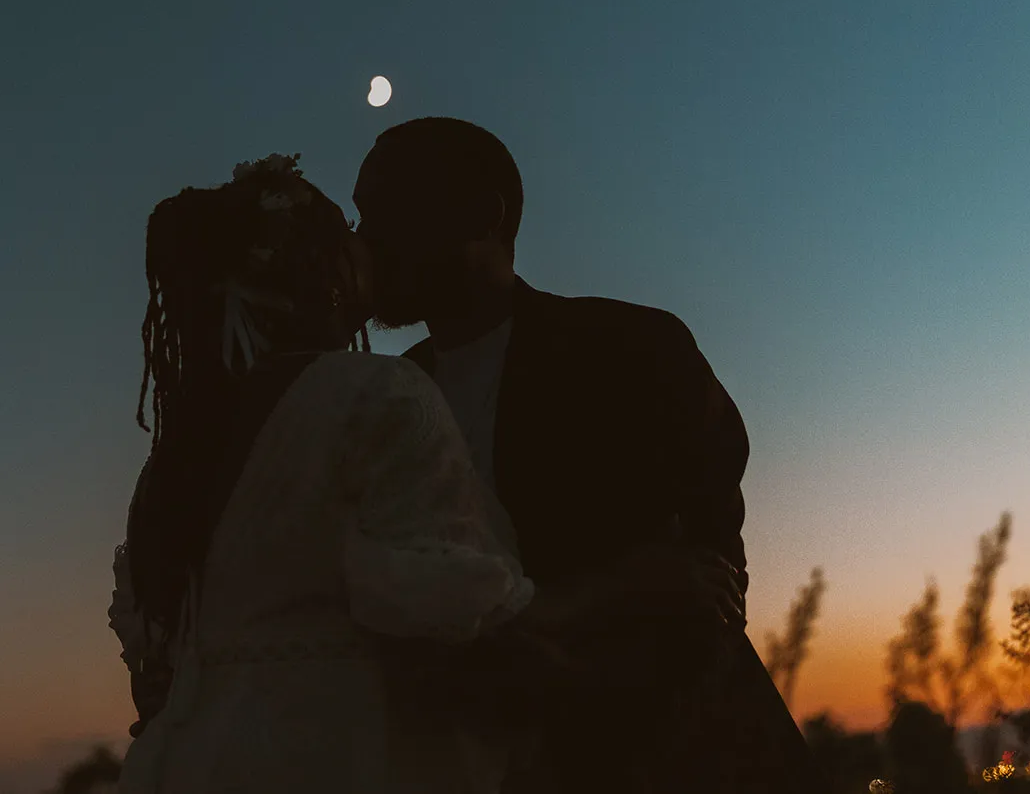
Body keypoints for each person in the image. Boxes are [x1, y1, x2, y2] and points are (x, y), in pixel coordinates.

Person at [107, 153, 610, 794]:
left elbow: (154, 688)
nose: (365, 249)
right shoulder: (373, 393)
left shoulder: (169, 467)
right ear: (318, 272)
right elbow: (455, 623)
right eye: (348, 237)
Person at [353, 116, 819, 792]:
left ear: (486, 215)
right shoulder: (388, 399)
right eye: (362, 216)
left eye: (386, 211)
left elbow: (708, 581)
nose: (364, 240)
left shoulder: (633, 347)